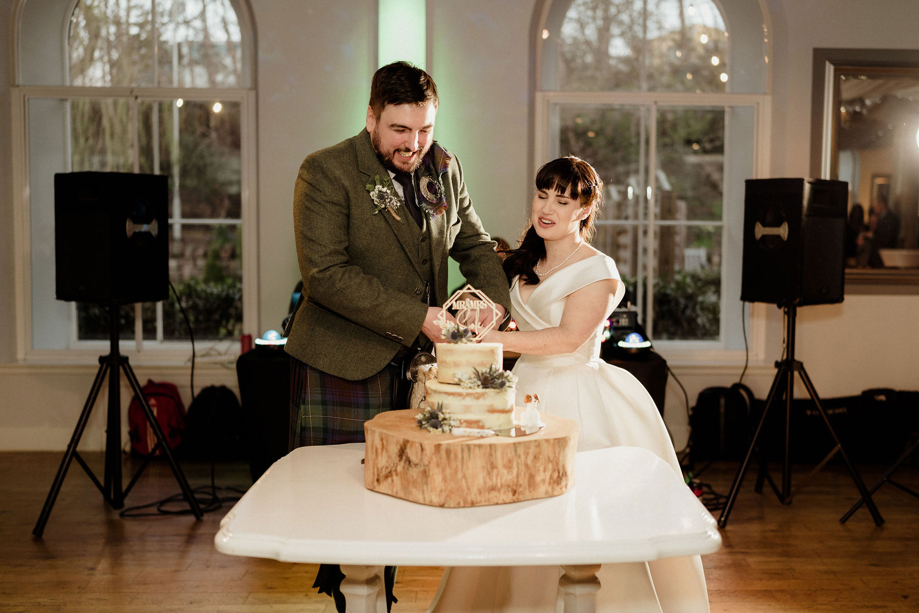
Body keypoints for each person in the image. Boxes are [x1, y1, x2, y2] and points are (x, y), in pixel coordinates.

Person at [429, 157, 710, 612]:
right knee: (511, 511)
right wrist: (475, 318)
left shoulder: (598, 270)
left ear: (584, 209)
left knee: (585, 517)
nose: (547, 209)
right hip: (521, 391)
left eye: (562, 201)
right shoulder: (523, 262)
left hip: (578, 395)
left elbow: (567, 339)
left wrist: (489, 337)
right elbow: (506, 325)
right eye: (542, 196)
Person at [285, 61, 511, 612]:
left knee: (399, 497)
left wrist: (496, 306)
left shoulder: (444, 167)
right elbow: (325, 276)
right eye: (400, 130)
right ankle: (354, 602)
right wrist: (422, 318)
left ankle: (379, 600)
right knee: (343, 507)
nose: (414, 144)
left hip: (415, 369)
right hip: (341, 361)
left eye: (425, 128)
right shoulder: (325, 171)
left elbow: (474, 244)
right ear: (371, 118)